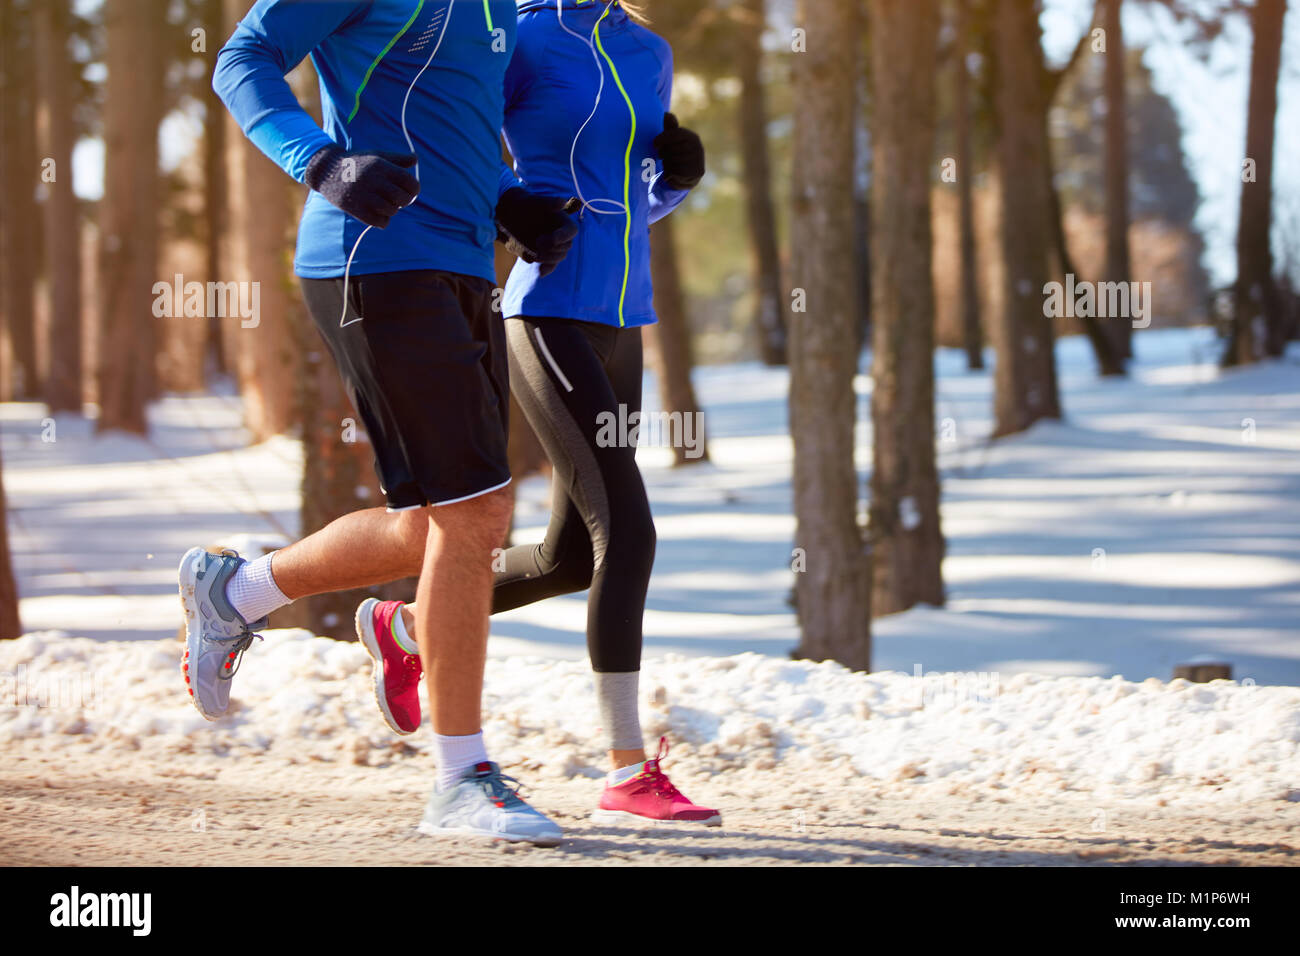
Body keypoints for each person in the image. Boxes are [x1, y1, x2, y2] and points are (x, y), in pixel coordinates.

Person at [183, 0, 580, 846]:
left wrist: (509, 201)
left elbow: (451, 116)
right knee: (474, 516)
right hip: (377, 257)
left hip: (465, 262)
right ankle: (460, 780)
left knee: (445, 522)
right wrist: (320, 161)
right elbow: (241, 59)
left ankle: (237, 592)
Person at [355, 0, 719, 828]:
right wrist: (508, 209)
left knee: (569, 557)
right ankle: (627, 770)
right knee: (627, 531)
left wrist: (677, 181)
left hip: (624, 317)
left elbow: (631, 194)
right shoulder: (517, 35)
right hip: (544, 308)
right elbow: (464, 156)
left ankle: (408, 625)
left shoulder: (648, 49)